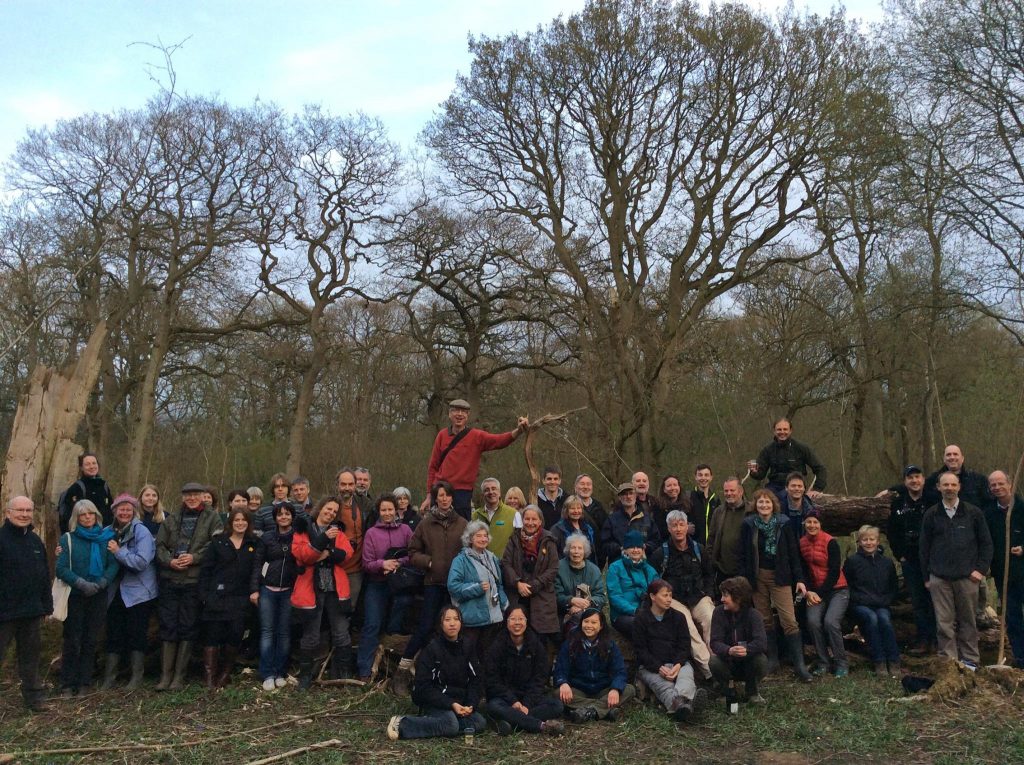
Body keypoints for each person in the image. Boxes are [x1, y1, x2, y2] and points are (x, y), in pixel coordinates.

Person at [392, 481, 468, 696]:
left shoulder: (462, 523)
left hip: (455, 586)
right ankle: (402, 671)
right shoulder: (426, 523)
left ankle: (448, 676)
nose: (443, 499)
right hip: (433, 583)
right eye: (439, 495)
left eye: (447, 495)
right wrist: (429, 562)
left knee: (453, 629)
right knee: (425, 627)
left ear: (452, 497)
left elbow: (471, 551)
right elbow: (412, 551)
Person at [154, 482, 223, 690]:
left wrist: (194, 557)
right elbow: (159, 545)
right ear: (182, 497)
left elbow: (215, 544)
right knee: (168, 625)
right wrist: (169, 561)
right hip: (170, 579)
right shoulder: (172, 519)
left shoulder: (213, 518)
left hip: (194, 580)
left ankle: (179, 676)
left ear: (203, 496)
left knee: (188, 625)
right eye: (187, 495)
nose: (191, 498)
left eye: (195, 495)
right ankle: (165, 676)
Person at [920, 472, 993, 666]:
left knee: (968, 623)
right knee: (944, 624)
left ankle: (970, 662)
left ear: (959, 487)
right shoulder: (932, 514)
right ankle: (948, 664)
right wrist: (927, 577)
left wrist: (980, 570)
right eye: (945, 485)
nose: (949, 488)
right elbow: (923, 548)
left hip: (967, 578)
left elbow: (986, 544)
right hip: (939, 578)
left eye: (953, 484)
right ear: (938, 487)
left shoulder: (973, 513)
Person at [738, 488, 811, 681]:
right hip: (757, 576)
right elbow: (744, 554)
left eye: (767, 502)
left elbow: (793, 553)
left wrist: (800, 579)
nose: (764, 505)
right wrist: (744, 579)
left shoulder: (784, 523)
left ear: (773, 505)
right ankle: (772, 660)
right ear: (755, 505)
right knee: (764, 619)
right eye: (760, 502)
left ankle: (799, 664)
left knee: (789, 619)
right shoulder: (748, 524)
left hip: (781, 576)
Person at [386, 605, 487, 741]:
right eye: (447, 620)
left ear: (461, 623)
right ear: (441, 624)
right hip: (436, 701)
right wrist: (450, 704)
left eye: (456, 619)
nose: (452, 623)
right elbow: (423, 688)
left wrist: (471, 704)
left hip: (459, 702)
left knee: (479, 722)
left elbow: (476, 679)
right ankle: (402, 724)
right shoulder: (432, 649)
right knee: (450, 724)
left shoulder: (467, 646)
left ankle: (436, 724)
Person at [424, 398, 529, 519]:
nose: (459, 414)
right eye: (455, 411)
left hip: (462, 493)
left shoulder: (476, 436)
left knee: (462, 532)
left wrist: (519, 430)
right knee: (436, 529)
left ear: (467, 416)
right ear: (449, 414)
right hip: (440, 490)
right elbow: (433, 467)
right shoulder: (442, 435)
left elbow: (499, 440)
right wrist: (428, 495)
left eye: (463, 411)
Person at [924, 444, 994, 627]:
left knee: (978, 597)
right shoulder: (933, 481)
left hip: (973, 549)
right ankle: (948, 654)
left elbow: (992, 502)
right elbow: (914, 488)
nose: (952, 457)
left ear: (962, 458)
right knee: (946, 617)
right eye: (948, 455)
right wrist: (893, 490)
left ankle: (981, 618)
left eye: (956, 454)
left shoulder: (977, 480)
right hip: (943, 556)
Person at [55, 499, 118, 696]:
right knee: (73, 639)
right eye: (83, 514)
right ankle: (67, 682)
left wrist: (102, 582)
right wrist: (81, 583)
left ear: (96, 515)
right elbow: (61, 568)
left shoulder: (106, 537)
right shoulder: (68, 539)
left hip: (98, 595)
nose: (87, 517)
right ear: (77, 517)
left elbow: (113, 565)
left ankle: (85, 681)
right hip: (75, 595)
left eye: (90, 513)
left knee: (91, 639)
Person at [291, 496, 355, 687]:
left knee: (341, 632)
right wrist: (323, 542)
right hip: (311, 588)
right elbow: (302, 555)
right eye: (328, 509)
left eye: (334, 511)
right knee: (311, 634)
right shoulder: (303, 529)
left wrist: (327, 553)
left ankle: (343, 674)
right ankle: (305, 676)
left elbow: (346, 554)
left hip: (335, 589)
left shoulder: (338, 531)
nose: (331, 513)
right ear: (320, 508)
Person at [198, 508, 260, 689]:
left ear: (248, 523)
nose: (240, 523)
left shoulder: (254, 543)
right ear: (231, 523)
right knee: (213, 636)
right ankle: (209, 676)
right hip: (217, 597)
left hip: (240, 599)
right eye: (237, 520)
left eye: (243, 520)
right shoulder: (218, 542)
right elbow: (206, 571)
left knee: (235, 635)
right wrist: (204, 595)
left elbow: (257, 570)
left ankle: (225, 674)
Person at [649, 509, 715, 678]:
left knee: (710, 619)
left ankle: (719, 662)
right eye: (674, 525)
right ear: (668, 528)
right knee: (688, 625)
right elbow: (653, 581)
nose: (678, 529)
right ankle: (711, 671)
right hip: (674, 599)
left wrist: (708, 594)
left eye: (681, 525)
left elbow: (709, 574)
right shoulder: (660, 554)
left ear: (687, 527)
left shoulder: (699, 549)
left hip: (698, 597)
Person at [0, 496, 52, 712]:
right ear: (8, 513)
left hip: (31, 611)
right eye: (19, 510)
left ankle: (34, 699)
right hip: (4, 613)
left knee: (30, 658)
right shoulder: (1, 539)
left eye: (28, 510)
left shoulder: (35, 541)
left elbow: (43, 575)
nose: (24, 514)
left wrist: (47, 605)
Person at [101, 493, 157, 691]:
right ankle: (110, 677)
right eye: (120, 509)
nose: (124, 512)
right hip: (114, 590)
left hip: (139, 592)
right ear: (114, 511)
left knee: (136, 634)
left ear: (134, 511)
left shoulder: (141, 532)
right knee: (113, 633)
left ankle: (136, 677)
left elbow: (141, 562)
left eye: (128, 509)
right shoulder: (107, 531)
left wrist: (119, 551)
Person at [632, 579, 708, 722]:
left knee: (686, 680)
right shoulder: (641, 619)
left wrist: (678, 664)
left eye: (670, 596)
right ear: (653, 597)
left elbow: (684, 645)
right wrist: (659, 667)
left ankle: (679, 707)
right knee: (664, 686)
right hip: (651, 667)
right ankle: (687, 706)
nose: (669, 600)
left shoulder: (679, 617)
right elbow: (640, 650)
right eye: (664, 595)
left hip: (678, 663)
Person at [358, 494, 414, 683]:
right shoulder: (372, 533)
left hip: (400, 584)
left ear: (396, 510)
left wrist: (398, 562)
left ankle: (395, 667)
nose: (387, 513)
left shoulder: (406, 530)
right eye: (384, 510)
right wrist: (383, 564)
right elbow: (366, 563)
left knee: (401, 613)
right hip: (377, 583)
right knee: (371, 624)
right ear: (379, 512)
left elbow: (413, 554)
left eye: (390, 509)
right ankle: (364, 671)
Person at [484, 607, 566, 735]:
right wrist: (513, 701)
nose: (517, 623)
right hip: (505, 699)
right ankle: (540, 726)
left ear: (527, 621)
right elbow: (493, 680)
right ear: (506, 622)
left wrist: (526, 705)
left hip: (528, 697)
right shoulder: (496, 646)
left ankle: (511, 722)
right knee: (494, 706)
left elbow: (539, 679)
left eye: (521, 619)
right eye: (513, 619)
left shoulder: (535, 644)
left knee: (557, 706)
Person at [886, 465, 939, 653]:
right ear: (905, 482)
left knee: (936, 600)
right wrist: (899, 555)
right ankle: (923, 639)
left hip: (934, 559)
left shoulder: (934, 500)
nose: (914, 481)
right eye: (910, 478)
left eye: (917, 477)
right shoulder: (899, 504)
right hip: (910, 560)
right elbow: (891, 531)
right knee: (918, 602)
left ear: (923, 479)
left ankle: (938, 640)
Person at [553, 607, 634, 722]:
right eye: (586, 622)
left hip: (603, 689)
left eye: (594, 622)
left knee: (629, 689)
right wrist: (563, 683)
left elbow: (620, 671)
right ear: (581, 623)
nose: (589, 625)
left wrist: (615, 688)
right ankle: (603, 710)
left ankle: (588, 711)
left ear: (601, 626)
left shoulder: (609, 645)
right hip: (579, 689)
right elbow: (560, 669)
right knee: (558, 693)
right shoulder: (571, 643)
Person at [843, 525, 901, 677]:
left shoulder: (887, 562)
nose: (869, 543)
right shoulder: (852, 561)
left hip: (881, 603)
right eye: (865, 540)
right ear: (860, 542)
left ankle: (894, 660)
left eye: (872, 539)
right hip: (860, 604)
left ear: (877, 541)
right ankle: (879, 660)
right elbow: (846, 586)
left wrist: (887, 600)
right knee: (872, 618)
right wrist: (860, 599)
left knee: (884, 619)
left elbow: (893, 586)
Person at [448, 520, 509, 662]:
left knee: (489, 657)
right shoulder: (461, 560)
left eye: (485, 536)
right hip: (472, 620)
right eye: (478, 536)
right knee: (471, 656)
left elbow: (498, 584)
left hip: (493, 618)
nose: (483, 539)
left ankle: (486, 682)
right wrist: (477, 588)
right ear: (470, 539)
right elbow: (453, 587)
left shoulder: (493, 558)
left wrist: (504, 603)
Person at [251, 502, 297, 691]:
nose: (283, 517)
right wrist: (254, 589)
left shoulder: (299, 537)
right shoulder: (267, 538)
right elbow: (257, 564)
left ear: (292, 517)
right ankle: (267, 673)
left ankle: (280, 671)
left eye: (287, 514)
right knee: (268, 631)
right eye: (280, 514)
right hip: (268, 590)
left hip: (289, 590)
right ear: (275, 517)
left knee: (284, 632)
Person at [798, 509, 849, 677]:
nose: (812, 525)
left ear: (820, 524)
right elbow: (803, 570)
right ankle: (823, 661)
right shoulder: (802, 543)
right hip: (814, 591)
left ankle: (841, 662)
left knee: (830, 622)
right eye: (809, 522)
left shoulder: (830, 542)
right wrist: (809, 592)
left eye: (815, 522)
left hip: (837, 589)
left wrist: (819, 593)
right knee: (812, 621)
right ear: (804, 524)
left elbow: (834, 571)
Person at [501, 505, 561, 643]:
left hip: (542, 595)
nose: (530, 522)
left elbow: (553, 568)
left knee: (540, 640)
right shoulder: (514, 538)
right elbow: (506, 563)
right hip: (517, 594)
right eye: (527, 519)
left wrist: (534, 585)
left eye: (534, 519)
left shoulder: (549, 540)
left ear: (540, 521)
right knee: (515, 636)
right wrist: (517, 583)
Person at [984, 470, 1024, 668]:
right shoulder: (989, 513)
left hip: (1022, 570)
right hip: (1004, 575)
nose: (997, 487)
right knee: (1013, 617)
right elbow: (986, 543)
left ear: (1009, 484)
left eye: (1001, 483)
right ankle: (1021, 657)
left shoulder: (1022, 508)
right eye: (993, 485)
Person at [709, 576, 768, 704]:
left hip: (748, 663)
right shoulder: (718, 613)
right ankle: (727, 691)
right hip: (728, 663)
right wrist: (729, 650)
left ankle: (752, 692)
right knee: (714, 661)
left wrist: (745, 650)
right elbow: (714, 642)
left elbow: (761, 642)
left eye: (725, 596)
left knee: (761, 660)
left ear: (738, 598)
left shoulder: (754, 615)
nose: (721, 599)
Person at [748, 419, 827, 499]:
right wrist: (754, 472)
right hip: (774, 486)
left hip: (795, 487)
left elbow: (820, 469)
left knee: (783, 499)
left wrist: (817, 489)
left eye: (785, 429)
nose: (782, 432)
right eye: (779, 429)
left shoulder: (801, 448)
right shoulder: (768, 450)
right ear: (774, 431)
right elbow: (760, 474)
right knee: (761, 499)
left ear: (790, 431)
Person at [606, 530, 658, 639]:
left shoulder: (650, 569)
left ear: (643, 549)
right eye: (631, 547)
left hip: (648, 611)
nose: (635, 550)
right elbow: (614, 596)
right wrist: (634, 611)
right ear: (625, 549)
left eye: (638, 547)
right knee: (641, 626)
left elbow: (659, 592)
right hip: (623, 615)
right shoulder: (615, 567)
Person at [707, 477, 753, 589]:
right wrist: (712, 561)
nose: (729, 493)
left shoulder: (752, 511)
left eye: (732, 490)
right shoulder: (718, 511)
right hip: (722, 571)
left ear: (740, 491)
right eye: (726, 491)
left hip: (745, 571)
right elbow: (711, 538)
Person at [600, 482, 660, 565]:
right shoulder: (612, 520)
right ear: (620, 497)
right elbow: (605, 544)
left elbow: (656, 540)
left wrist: (645, 547)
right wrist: (620, 549)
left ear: (636, 496)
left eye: (631, 493)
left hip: (643, 566)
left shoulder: (647, 518)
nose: (628, 497)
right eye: (624, 494)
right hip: (619, 566)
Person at [555, 534, 607, 627]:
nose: (576, 551)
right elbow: (556, 595)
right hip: (563, 611)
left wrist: (585, 604)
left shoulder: (594, 570)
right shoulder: (558, 567)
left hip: (589, 611)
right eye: (573, 548)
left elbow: (600, 597)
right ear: (568, 550)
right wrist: (571, 600)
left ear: (585, 551)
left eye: (580, 548)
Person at [58, 452, 115, 532]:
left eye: (94, 463)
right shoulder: (77, 488)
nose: (92, 467)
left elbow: (110, 509)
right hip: (84, 534)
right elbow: (71, 516)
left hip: (103, 533)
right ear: (81, 468)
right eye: (87, 464)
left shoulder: (103, 485)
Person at [471, 476, 521, 556]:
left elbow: (520, 543)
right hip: (481, 564)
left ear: (499, 492)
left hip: (504, 565)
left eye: (494, 489)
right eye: (486, 490)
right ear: (482, 494)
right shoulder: (475, 515)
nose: (491, 492)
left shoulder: (514, 514)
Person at [549, 494, 598, 564]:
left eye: (578, 508)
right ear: (566, 510)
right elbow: (553, 554)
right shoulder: (557, 529)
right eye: (572, 508)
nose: (576, 511)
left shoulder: (588, 528)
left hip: (585, 568)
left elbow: (592, 553)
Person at [688, 465, 720, 545]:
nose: (703, 478)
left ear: (711, 477)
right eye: (700, 475)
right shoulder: (688, 498)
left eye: (706, 475)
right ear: (695, 477)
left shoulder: (716, 500)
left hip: (712, 547)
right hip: (693, 546)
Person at [656, 474, 686, 541]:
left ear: (679, 487)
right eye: (669, 486)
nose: (673, 488)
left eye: (675, 485)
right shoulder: (658, 507)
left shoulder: (687, 505)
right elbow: (660, 530)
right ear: (664, 489)